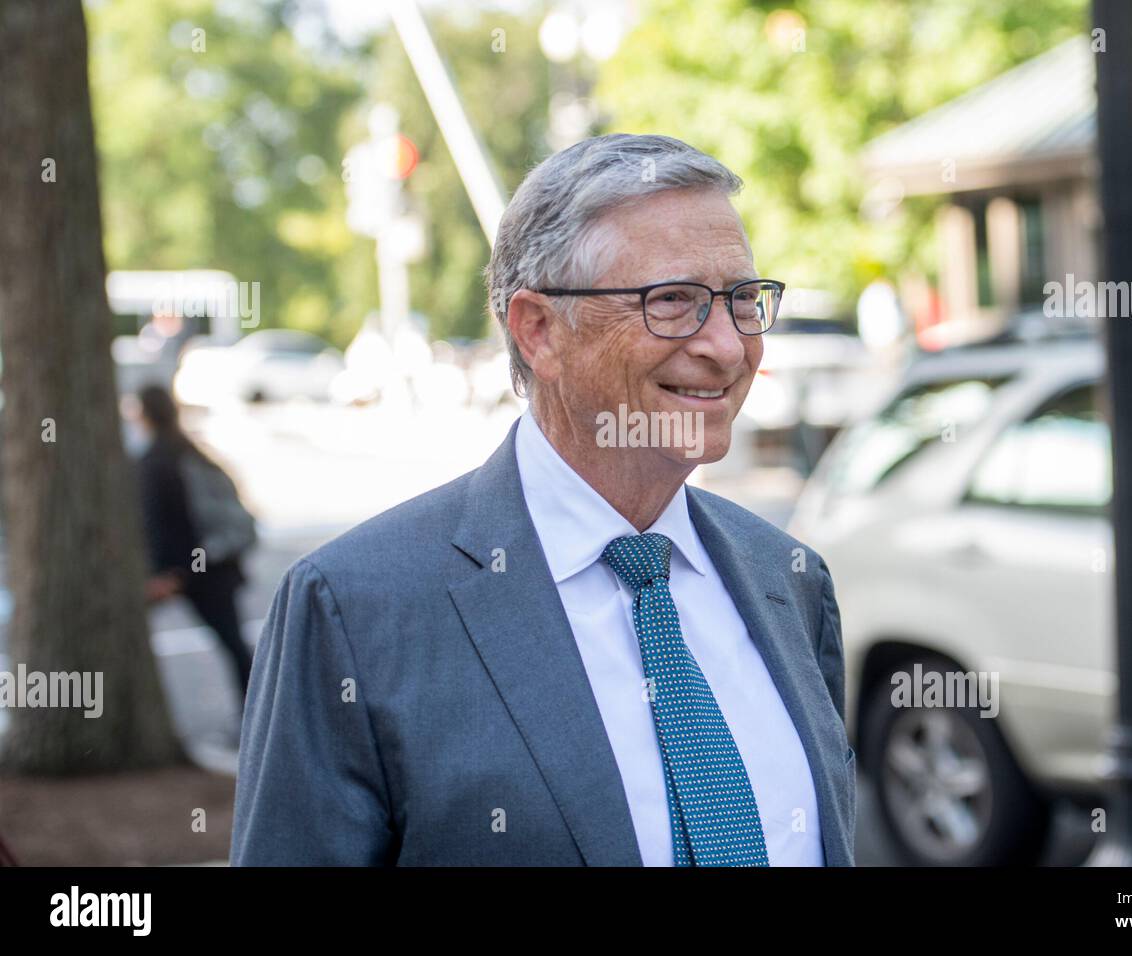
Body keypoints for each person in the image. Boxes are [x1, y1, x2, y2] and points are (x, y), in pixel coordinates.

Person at [231, 133, 854, 867]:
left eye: (744, 299)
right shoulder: (353, 610)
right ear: (539, 332)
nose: (726, 345)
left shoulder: (788, 577)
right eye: (674, 301)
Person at [135, 383, 254, 715]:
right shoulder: (190, 453)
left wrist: (171, 574)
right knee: (235, 646)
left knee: (234, 645)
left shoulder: (154, 462)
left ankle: (260, 718)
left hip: (190, 571)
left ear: (144, 414)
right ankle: (260, 719)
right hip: (213, 566)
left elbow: (166, 526)